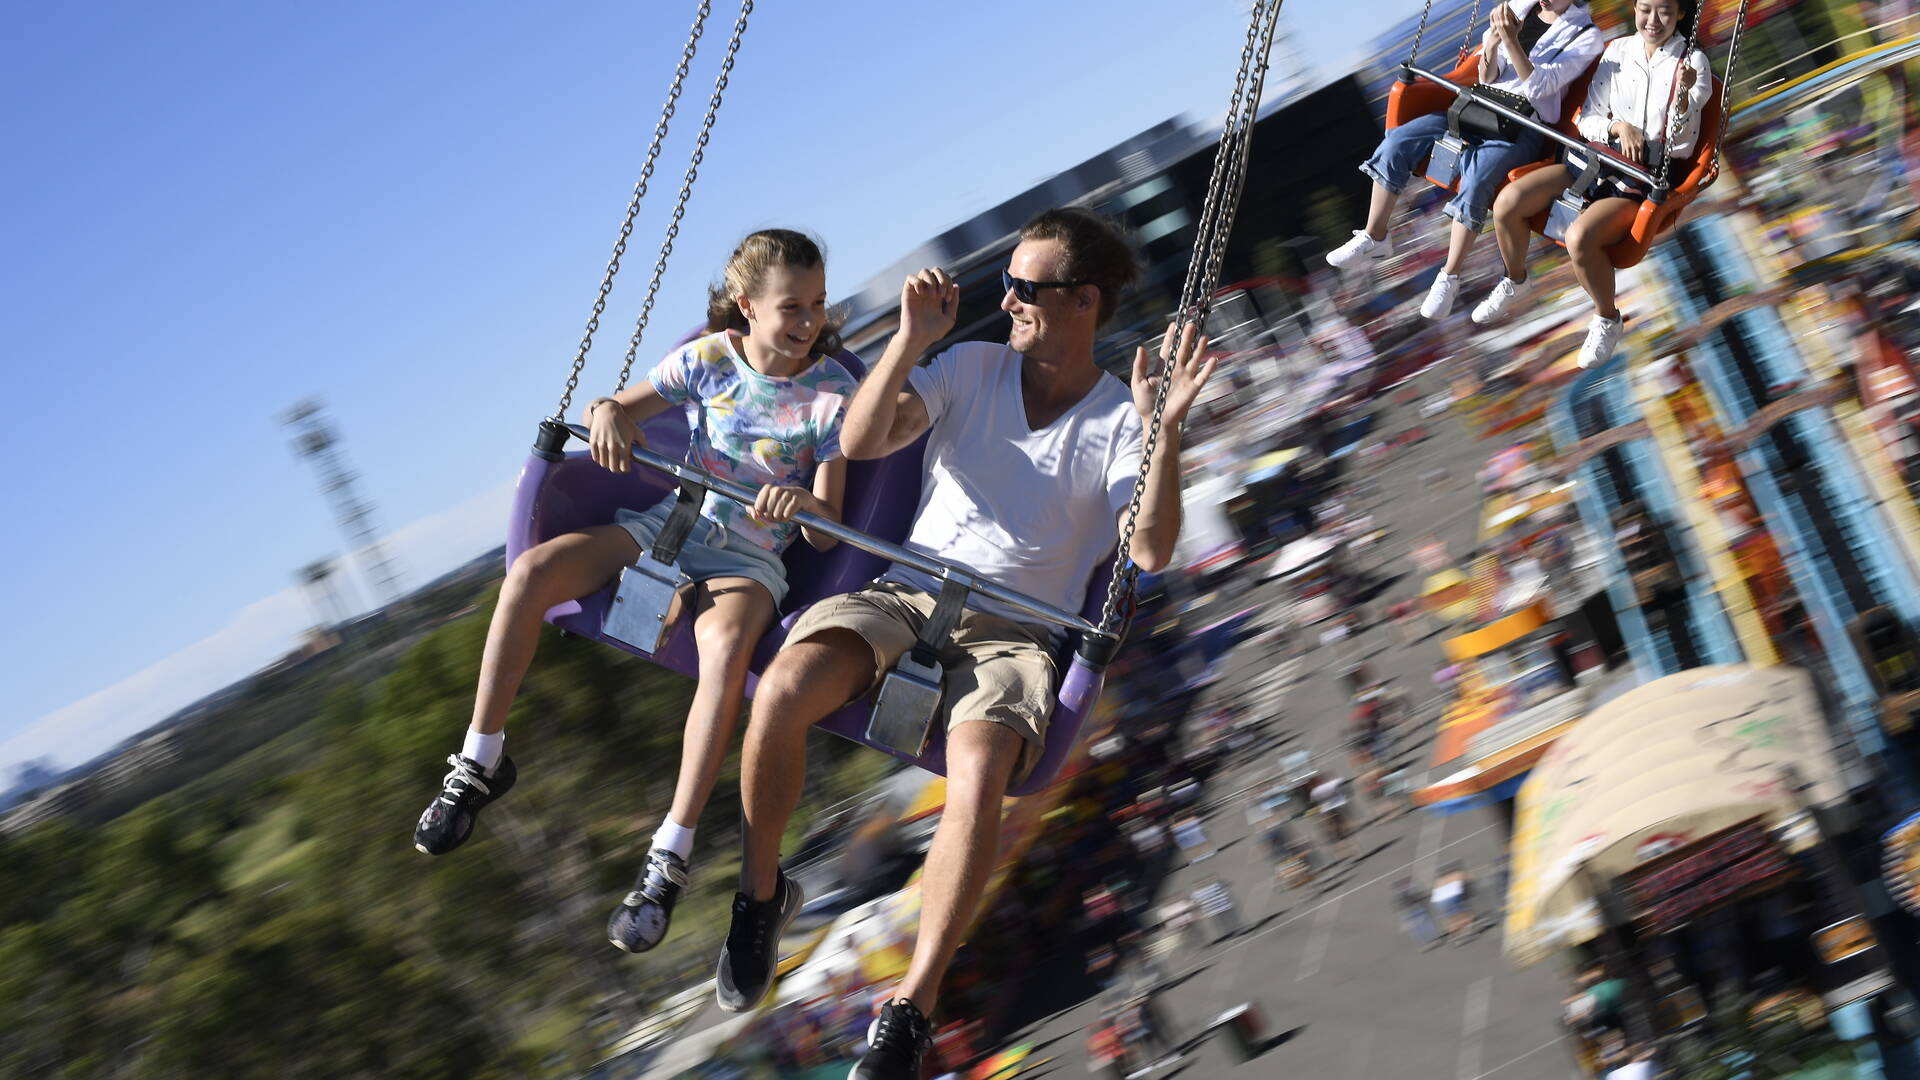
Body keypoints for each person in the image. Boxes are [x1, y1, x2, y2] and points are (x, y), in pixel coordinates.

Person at [715, 208, 1213, 1079]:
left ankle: (910, 1008)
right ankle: (760, 897)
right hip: (908, 590)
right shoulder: (971, 366)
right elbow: (863, 439)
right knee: (783, 688)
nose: (1009, 298)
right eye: (1009, 283)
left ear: (1084, 301)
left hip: (1018, 629)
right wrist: (909, 343)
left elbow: (1151, 550)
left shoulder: (1120, 420)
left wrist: (1165, 429)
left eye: (1028, 287)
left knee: (979, 775)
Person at [409, 230, 858, 954]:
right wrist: (608, 413)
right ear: (746, 306)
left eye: (816, 304)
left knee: (726, 655)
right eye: (791, 307)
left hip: (750, 558)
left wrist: (803, 508)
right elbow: (615, 407)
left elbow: (832, 534)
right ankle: (479, 760)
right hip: (672, 525)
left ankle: (668, 857)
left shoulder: (833, 393)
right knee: (528, 574)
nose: (808, 322)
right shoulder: (711, 360)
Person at [1328, 0, 1604, 320]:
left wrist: (1512, 41)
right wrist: (1493, 42)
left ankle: (1449, 276)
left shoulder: (1586, 35)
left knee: (1476, 179)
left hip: (1522, 125)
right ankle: (1375, 235)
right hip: (1477, 107)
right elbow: (1486, 76)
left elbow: (1541, 87)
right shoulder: (1518, 7)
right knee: (1398, 141)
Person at [1476, 0, 1714, 366]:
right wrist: (1618, 127)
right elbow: (1588, 119)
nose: (1653, 21)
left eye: (1664, 11)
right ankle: (1515, 277)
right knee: (1508, 203)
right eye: (1645, 9)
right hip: (1593, 157)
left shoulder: (1692, 64)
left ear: (1680, 14)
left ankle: (1607, 318)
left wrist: (1684, 95)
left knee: (1580, 237)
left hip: (1639, 177)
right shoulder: (1618, 50)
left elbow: (1683, 136)